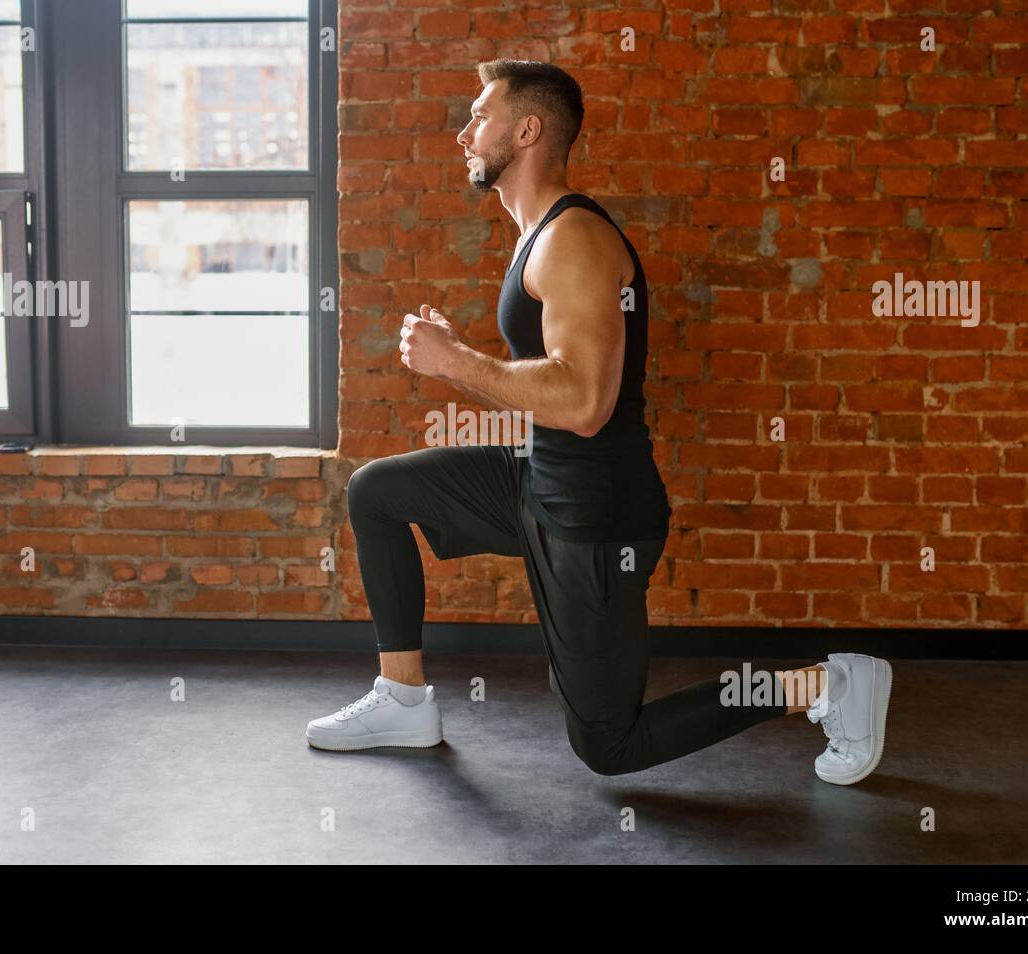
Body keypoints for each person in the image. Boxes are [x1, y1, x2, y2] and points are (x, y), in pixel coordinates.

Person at [307, 59, 893, 784]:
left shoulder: (573, 239)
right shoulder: (535, 236)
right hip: (540, 485)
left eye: (479, 116)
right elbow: (547, 395)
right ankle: (402, 697)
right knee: (377, 492)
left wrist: (457, 363)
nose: (463, 133)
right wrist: (459, 359)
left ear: (527, 130)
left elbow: (585, 405)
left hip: (596, 515)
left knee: (608, 744)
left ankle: (828, 685)